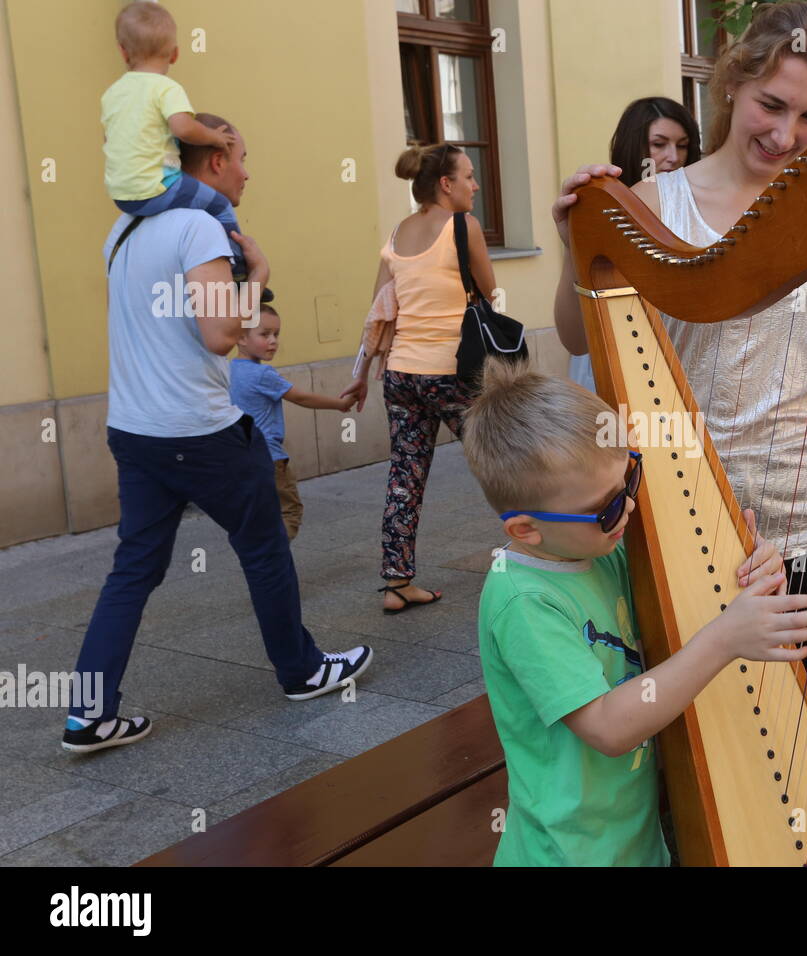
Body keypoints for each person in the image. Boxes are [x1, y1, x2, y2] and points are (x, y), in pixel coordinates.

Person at [550, 1, 807, 864]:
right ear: (733, 83)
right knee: (714, 778)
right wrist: (574, 238)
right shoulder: (652, 200)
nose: (787, 133)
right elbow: (577, 335)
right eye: (771, 105)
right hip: (696, 531)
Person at [62, 112, 372, 754]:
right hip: (200, 429)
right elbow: (220, 335)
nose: (247, 171)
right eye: (239, 156)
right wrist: (255, 275)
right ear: (210, 162)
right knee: (263, 548)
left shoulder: (122, 229)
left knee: (134, 569)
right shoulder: (201, 226)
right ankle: (303, 671)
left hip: (134, 427)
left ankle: (88, 715)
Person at [461, 358, 807, 865]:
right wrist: (724, 638)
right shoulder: (524, 600)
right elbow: (608, 727)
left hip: (634, 841)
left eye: (630, 477)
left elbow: (691, 599)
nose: (629, 509)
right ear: (526, 529)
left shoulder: (599, 550)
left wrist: (745, 561)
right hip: (569, 852)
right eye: (607, 507)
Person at [342, 144, 496, 615]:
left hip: (402, 375)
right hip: (451, 371)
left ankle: (397, 581)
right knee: (500, 459)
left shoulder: (397, 233)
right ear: (445, 184)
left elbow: (379, 309)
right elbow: (488, 291)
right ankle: (542, 549)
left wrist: (363, 373)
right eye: (468, 176)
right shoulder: (462, 227)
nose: (474, 185)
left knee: (405, 474)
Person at [101, 2, 248, 281]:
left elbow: (109, 137)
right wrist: (214, 137)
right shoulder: (166, 88)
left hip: (122, 194)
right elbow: (182, 128)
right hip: (156, 190)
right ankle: (240, 269)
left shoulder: (113, 94)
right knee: (219, 206)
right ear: (176, 54)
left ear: (122, 51)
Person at [566, 97, 701, 393]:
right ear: (633, 145)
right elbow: (574, 340)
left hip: (684, 371)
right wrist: (571, 245)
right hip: (616, 367)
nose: (673, 157)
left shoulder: (694, 215)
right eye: (659, 144)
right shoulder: (602, 212)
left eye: (682, 145)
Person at [229, 304, 359, 541]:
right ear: (240, 337)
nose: (273, 341)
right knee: (289, 511)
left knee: (256, 512)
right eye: (264, 334)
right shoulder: (262, 375)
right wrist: (339, 404)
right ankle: (272, 556)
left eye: (276, 334)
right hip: (270, 457)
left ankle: (257, 552)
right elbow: (301, 397)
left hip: (240, 458)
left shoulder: (228, 371)